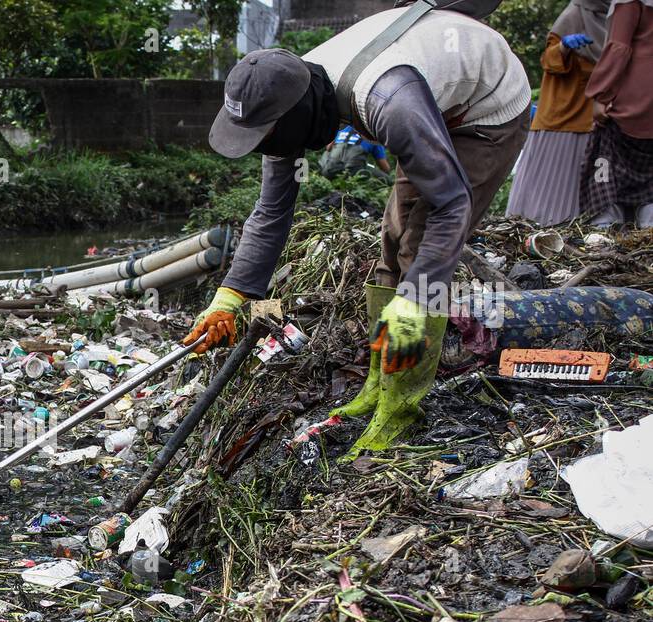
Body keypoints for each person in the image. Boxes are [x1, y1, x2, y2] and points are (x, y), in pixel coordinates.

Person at [186, 6, 530, 457]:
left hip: (485, 109)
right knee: (394, 242)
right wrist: (231, 297)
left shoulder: (388, 99)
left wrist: (417, 300)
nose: (265, 147)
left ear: (294, 114)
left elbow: (453, 203)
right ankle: (377, 383)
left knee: (420, 245)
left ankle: (401, 407)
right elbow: (271, 210)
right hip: (427, 100)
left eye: (267, 136)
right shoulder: (280, 97)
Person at [506, 1, 610, 226]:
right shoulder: (575, 13)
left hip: (595, 117)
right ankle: (543, 229)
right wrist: (564, 47)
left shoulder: (618, 17)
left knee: (587, 184)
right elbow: (548, 60)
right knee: (551, 184)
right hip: (562, 115)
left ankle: (582, 231)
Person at [581, 0, 653, 229]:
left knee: (605, 167)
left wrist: (600, 94)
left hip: (633, 95)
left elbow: (618, 48)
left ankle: (604, 235)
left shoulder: (630, 2)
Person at [319, 125, 392, 181]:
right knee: (388, 180)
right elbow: (384, 167)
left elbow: (328, 148)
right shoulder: (373, 137)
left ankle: (321, 173)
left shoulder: (342, 129)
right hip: (353, 174)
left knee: (328, 153)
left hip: (330, 172)